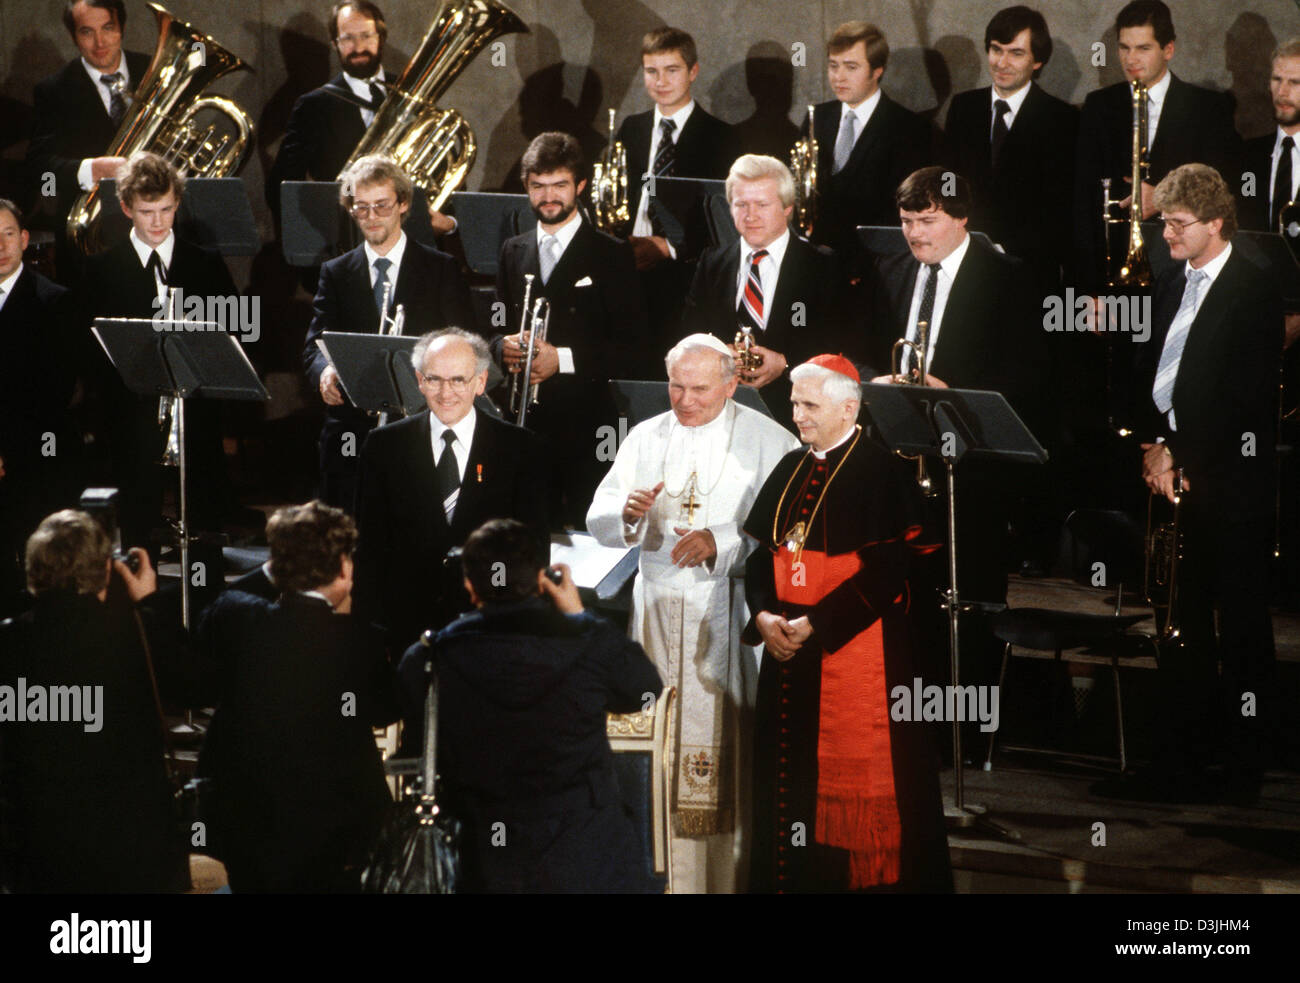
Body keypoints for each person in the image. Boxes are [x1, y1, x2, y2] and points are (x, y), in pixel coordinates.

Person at [586, 334, 798, 893]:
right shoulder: (645, 436)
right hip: (654, 610)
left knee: (724, 754)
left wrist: (720, 540)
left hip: (723, 616)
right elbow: (600, 518)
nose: (684, 400)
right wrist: (629, 517)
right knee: (654, 746)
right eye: (676, 385)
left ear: (732, 385)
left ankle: (722, 882)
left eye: (700, 388)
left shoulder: (770, 440)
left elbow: (786, 533)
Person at [741, 356, 950, 893]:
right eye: (794, 404)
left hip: (852, 651)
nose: (798, 415)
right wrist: (763, 615)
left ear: (849, 407)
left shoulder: (882, 470)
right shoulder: (789, 467)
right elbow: (760, 558)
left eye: (810, 405)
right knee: (787, 789)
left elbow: (891, 571)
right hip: (787, 652)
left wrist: (817, 624)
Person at [1114, 164, 1282, 805]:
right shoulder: (1168, 279)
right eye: (1163, 223)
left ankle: (1244, 768)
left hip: (1229, 481)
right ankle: (1179, 758)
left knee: (1238, 622)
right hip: (1170, 475)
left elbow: (1243, 396)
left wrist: (1181, 452)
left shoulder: (1252, 288)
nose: (1168, 236)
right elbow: (1150, 368)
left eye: (1180, 226)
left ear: (1217, 224)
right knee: (1178, 618)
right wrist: (1155, 445)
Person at [397, 518, 663, 893]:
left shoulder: (431, 657)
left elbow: (413, 745)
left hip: (483, 858)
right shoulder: (588, 646)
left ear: (470, 585)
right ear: (542, 580)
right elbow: (645, 689)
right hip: (586, 859)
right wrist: (579, 616)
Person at [195, 500, 400, 892]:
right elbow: (385, 707)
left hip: (245, 821)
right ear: (343, 570)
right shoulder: (361, 640)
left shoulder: (237, 616)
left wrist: (274, 570)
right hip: (334, 831)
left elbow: (215, 617)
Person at [0, 509, 189, 892]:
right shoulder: (137, 633)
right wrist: (150, 605)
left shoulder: (8, 643)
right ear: (107, 570)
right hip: (132, 848)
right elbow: (198, 686)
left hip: (38, 847)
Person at [81, 151, 239, 560]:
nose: (157, 222)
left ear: (177, 204)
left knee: (204, 538)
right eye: (146, 211)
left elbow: (235, 336)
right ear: (125, 207)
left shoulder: (204, 264)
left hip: (196, 422)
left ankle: (204, 611)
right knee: (139, 534)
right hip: (131, 422)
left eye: (166, 209)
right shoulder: (100, 270)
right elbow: (91, 353)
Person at [355, 329, 548, 652]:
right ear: (419, 380)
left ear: (481, 382)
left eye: (458, 380)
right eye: (435, 380)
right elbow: (369, 546)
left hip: (491, 627)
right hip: (405, 627)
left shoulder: (521, 448)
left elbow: (534, 548)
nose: (446, 392)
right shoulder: (384, 445)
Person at [494, 131, 649, 527]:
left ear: (580, 186)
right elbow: (493, 325)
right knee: (526, 531)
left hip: (587, 424)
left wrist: (560, 359)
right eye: (538, 186)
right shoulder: (513, 250)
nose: (548, 197)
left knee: (587, 532)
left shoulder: (611, 253)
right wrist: (502, 346)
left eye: (559, 185)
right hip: (525, 422)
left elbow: (635, 349)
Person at [302, 154, 474, 511]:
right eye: (361, 207)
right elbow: (314, 344)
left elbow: (467, 343)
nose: (371, 217)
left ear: (403, 204)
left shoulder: (440, 268)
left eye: (381, 206)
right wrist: (325, 370)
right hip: (354, 419)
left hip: (421, 416)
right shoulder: (335, 272)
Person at [1073, 0, 1241, 295]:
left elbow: (1224, 195)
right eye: (1124, 47)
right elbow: (1081, 203)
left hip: (1183, 277)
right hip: (1111, 278)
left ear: (1168, 50)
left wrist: (1163, 200)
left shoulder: (1209, 109)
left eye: (1143, 48)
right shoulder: (1099, 106)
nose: (1130, 59)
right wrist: (1088, 290)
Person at [681, 154, 854, 428]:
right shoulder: (712, 262)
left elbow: (840, 345)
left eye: (762, 204)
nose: (750, 216)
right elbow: (690, 335)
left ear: (787, 207)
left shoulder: (823, 265)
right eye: (741, 205)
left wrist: (786, 363)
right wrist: (717, 353)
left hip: (795, 417)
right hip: (720, 416)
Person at [941, 6, 1079, 293]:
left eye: (1016, 53)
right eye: (996, 49)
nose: (1002, 62)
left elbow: (1063, 207)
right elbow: (949, 182)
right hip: (966, 266)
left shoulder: (1063, 119)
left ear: (1037, 61)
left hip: (1030, 272)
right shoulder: (963, 108)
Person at [615, 27, 736, 346]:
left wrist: (666, 247)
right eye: (651, 71)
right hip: (626, 266)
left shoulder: (720, 137)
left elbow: (724, 221)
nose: (661, 81)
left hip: (683, 276)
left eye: (672, 70)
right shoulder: (632, 128)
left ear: (693, 72)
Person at [25, 0, 149, 277]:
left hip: (157, 231)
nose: (100, 42)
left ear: (122, 27)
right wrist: (91, 169)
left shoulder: (155, 72)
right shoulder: (53, 90)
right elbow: (40, 172)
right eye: (86, 32)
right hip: (91, 243)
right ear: (73, 36)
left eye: (108, 28)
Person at [801, 21, 933, 270]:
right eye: (833, 66)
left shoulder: (909, 128)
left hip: (874, 264)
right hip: (814, 261)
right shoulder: (816, 117)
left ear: (877, 71)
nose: (839, 76)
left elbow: (902, 209)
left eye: (851, 67)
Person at [0, 200, 79, 615]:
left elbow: (54, 392)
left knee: (40, 581)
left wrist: (6, 450)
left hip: (36, 454)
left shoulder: (54, 302)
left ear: (24, 239)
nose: (0, 245)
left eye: (8, 234)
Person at [267, 2, 388, 215]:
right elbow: (279, 189)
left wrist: (451, 221)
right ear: (335, 43)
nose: (359, 47)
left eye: (366, 35)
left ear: (381, 37)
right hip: (345, 236)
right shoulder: (313, 106)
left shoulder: (411, 92)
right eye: (348, 38)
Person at [1239, 38, 1300, 234]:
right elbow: (1244, 215)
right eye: (1277, 79)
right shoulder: (1248, 156)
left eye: (1294, 82)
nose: (1282, 92)